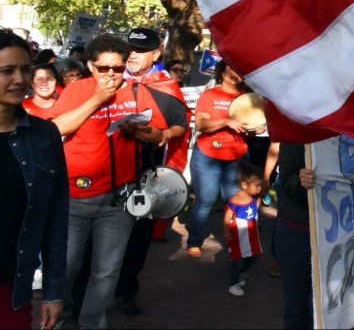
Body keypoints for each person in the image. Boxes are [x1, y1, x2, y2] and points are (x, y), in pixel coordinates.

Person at [51, 34, 171, 329]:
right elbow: (55, 130)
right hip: (75, 198)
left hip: (119, 199)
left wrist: (140, 132)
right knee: (65, 267)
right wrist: (97, 99)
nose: (110, 75)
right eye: (103, 68)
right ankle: (59, 315)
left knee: (106, 272)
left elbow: (159, 134)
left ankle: (92, 321)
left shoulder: (134, 90)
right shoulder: (77, 90)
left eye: (116, 69)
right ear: (91, 66)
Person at [112, 27, 191, 315]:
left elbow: (181, 124)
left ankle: (125, 291)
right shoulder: (109, 78)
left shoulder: (167, 86)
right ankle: (80, 293)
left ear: (156, 53)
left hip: (146, 177)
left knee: (136, 238)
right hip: (106, 174)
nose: (133, 54)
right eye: (130, 48)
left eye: (141, 50)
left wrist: (162, 135)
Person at [0, 31, 67, 330]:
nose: (19, 79)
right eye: (6, 71)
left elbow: (56, 218)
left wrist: (52, 291)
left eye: (25, 69)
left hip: (11, 285)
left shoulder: (44, 135)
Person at [186, 61, 249, 257]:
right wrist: (226, 121)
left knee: (234, 201)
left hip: (236, 157)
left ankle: (234, 242)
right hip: (208, 156)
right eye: (231, 69)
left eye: (239, 70)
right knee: (205, 200)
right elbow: (202, 125)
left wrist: (257, 128)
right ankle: (194, 241)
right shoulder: (210, 95)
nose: (235, 74)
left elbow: (250, 125)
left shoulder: (246, 98)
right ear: (222, 72)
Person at [275, 143, 314, 328]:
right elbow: (285, 181)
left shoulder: (351, 128)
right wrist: (300, 182)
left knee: (330, 305)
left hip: (338, 231)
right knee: (297, 305)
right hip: (298, 230)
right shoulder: (297, 131)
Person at [224, 161, 263, 297]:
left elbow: (253, 208)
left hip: (251, 234)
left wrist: (259, 202)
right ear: (244, 185)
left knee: (254, 257)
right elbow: (227, 216)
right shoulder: (236, 199)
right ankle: (233, 284)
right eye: (257, 185)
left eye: (260, 185)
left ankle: (240, 272)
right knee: (237, 259)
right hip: (239, 234)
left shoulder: (253, 197)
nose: (259, 188)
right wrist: (226, 230)